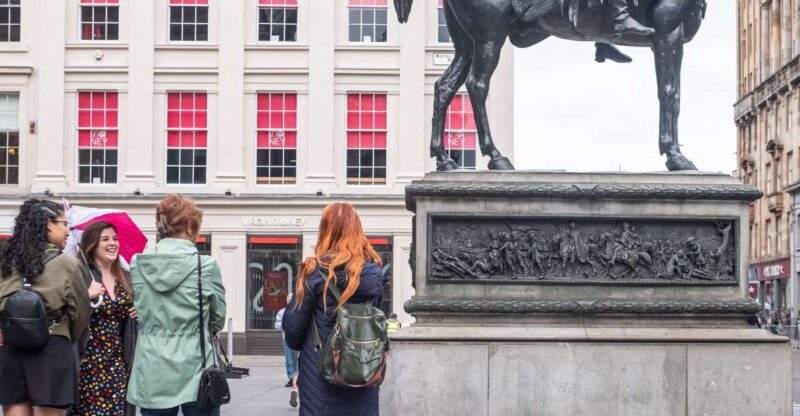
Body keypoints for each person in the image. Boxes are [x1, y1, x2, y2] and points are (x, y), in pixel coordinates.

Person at [126, 194, 226, 416]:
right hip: (196, 365)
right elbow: (218, 318)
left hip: (151, 365)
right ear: (191, 227)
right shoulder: (206, 266)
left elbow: (140, 308)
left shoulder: (138, 263)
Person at [282, 202, 384, 416]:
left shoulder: (313, 272)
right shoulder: (374, 273)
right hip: (362, 374)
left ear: (325, 231)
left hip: (320, 381)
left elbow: (293, 331)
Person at [0, 199, 91, 416]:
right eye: (64, 223)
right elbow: (80, 313)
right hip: (52, 346)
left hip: (12, 347)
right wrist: (64, 334)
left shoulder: (6, 260)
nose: (67, 230)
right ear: (49, 224)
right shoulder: (67, 264)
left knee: (15, 409)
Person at [71, 222, 138, 416]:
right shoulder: (81, 274)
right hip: (88, 364)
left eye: (115, 239)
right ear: (92, 244)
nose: (113, 244)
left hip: (117, 363)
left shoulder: (125, 276)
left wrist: (137, 313)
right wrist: (86, 295)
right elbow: (66, 313)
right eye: (105, 239)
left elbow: (131, 318)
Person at [275, 293, 299, 407]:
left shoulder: (298, 309)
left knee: (296, 360)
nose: (290, 299)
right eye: (288, 298)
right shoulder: (282, 312)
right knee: (290, 360)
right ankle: (293, 380)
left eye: (291, 297)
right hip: (288, 339)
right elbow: (278, 325)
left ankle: (294, 383)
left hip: (296, 339)